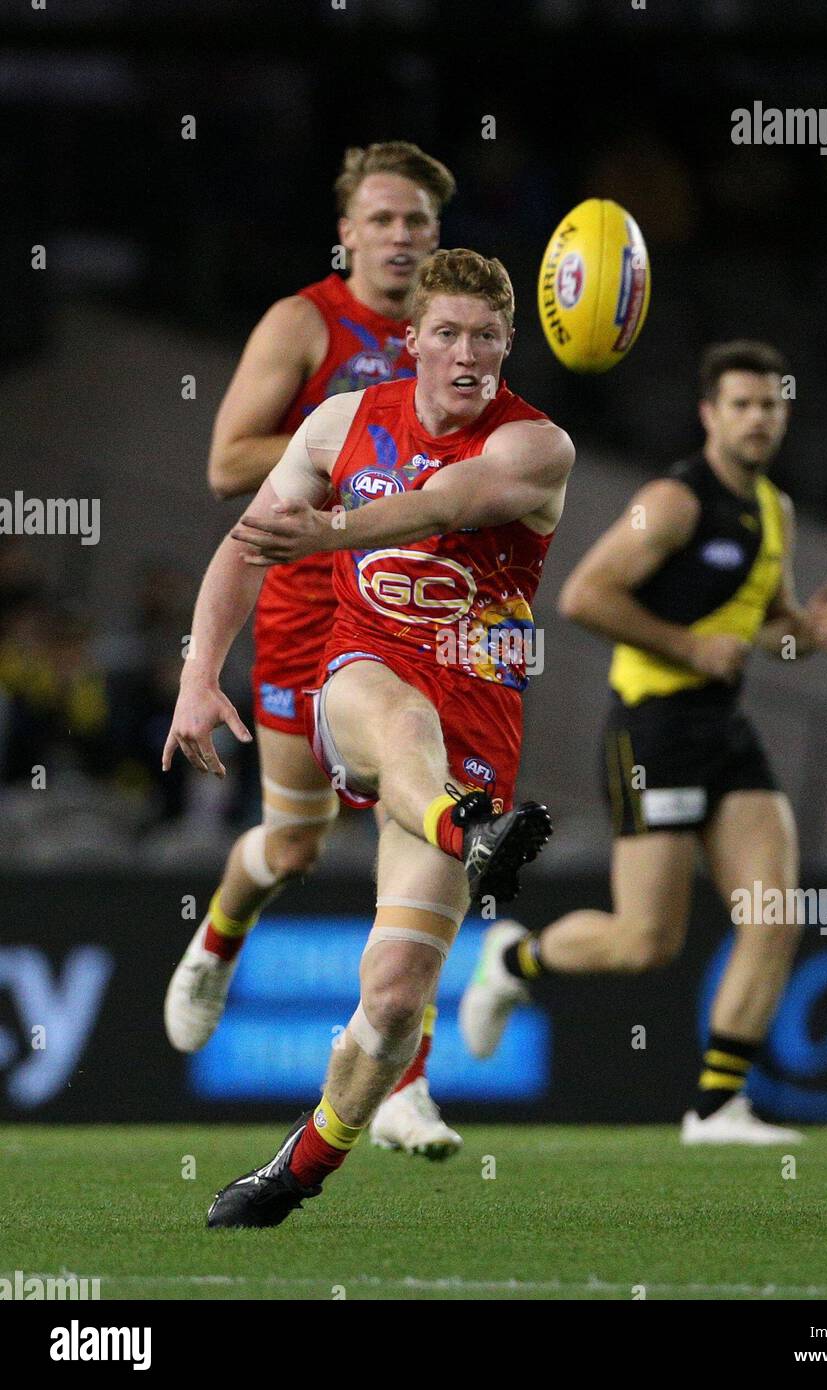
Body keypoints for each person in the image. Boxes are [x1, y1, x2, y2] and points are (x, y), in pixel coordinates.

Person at [163, 248, 575, 1226]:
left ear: (507, 345)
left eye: (485, 335)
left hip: (477, 732)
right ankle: (458, 828)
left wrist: (335, 529)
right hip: (361, 680)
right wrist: (195, 675)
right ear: (411, 341)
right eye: (447, 333)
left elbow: (447, 504)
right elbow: (243, 543)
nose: (466, 353)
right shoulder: (343, 420)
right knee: (394, 717)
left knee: (392, 1001)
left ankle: (296, 1169)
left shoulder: (537, 447)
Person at [460, 340, 827, 1145]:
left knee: (773, 914)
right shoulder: (671, 501)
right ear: (709, 415)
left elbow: (762, 622)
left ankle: (714, 1108)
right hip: (652, 729)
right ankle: (512, 961)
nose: (756, 419)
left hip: (723, 728)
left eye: (769, 405)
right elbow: (581, 595)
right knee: (646, 943)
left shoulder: (772, 510)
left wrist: (802, 634)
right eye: (740, 405)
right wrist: (682, 646)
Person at [163, 142, 464, 1157]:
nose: (398, 236)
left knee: (413, 820)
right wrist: (354, 445)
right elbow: (224, 463)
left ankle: (407, 1081)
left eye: (417, 220)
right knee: (295, 846)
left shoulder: (449, 340)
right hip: (301, 610)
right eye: (380, 219)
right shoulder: (305, 324)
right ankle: (220, 934)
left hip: (401, 619)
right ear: (344, 233)